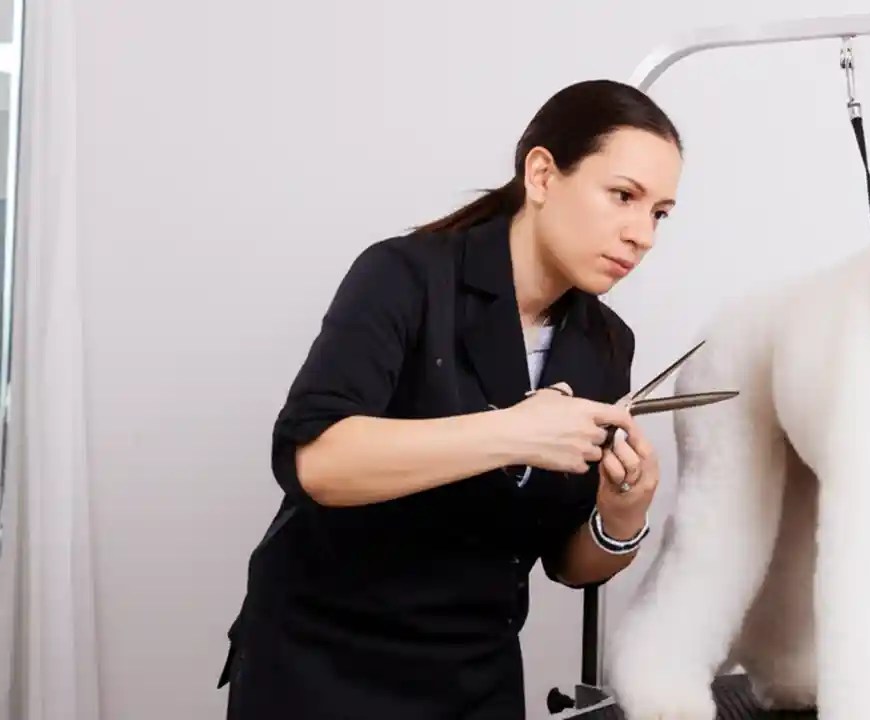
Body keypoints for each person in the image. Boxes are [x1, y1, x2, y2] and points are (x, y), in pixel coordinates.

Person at [219, 78, 684, 719]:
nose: (643, 235)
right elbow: (320, 463)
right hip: (322, 667)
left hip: (473, 680)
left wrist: (622, 514)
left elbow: (568, 566)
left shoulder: (604, 344)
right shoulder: (404, 276)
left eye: (659, 213)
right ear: (543, 175)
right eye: (623, 196)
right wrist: (517, 433)